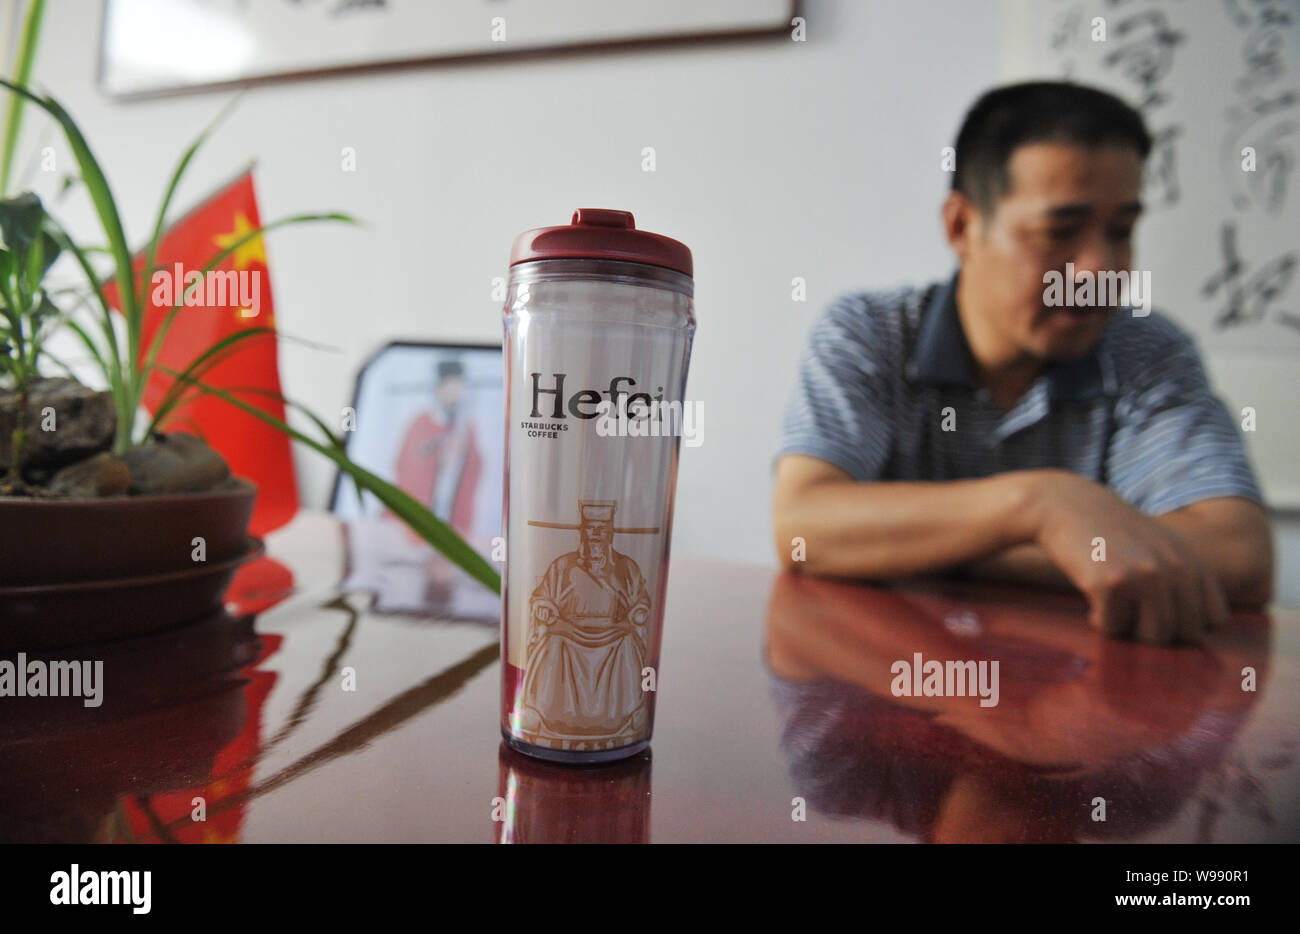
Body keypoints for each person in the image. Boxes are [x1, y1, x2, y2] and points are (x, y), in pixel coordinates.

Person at [771, 81, 1273, 645]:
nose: (1098, 271)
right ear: (961, 226)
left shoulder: (1148, 354)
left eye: (1121, 230)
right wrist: (1043, 505)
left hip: (1082, 701)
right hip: (884, 680)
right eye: (1059, 232)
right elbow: (804, 527)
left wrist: (930, 547)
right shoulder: (870, 333)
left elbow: (1239, 555)